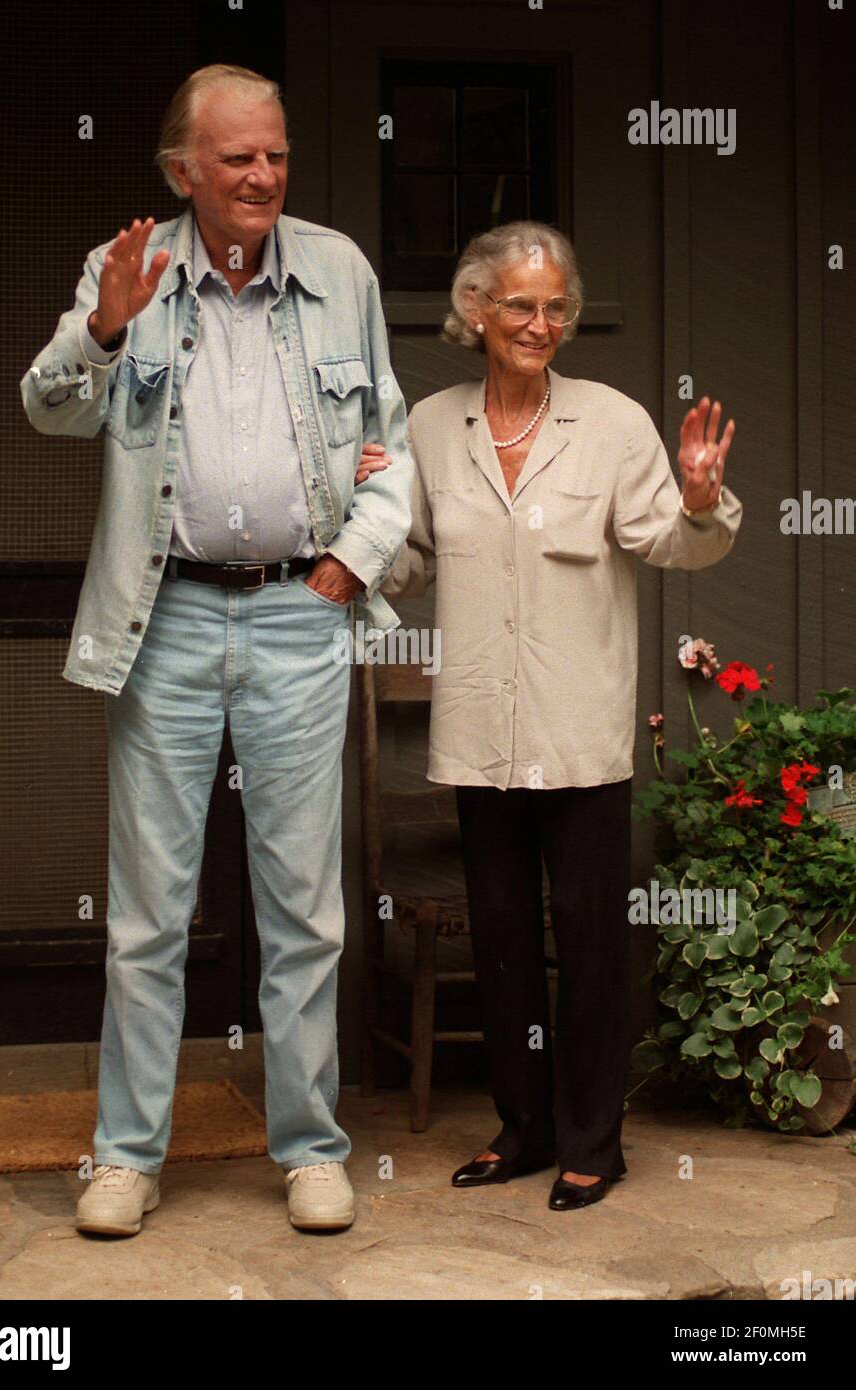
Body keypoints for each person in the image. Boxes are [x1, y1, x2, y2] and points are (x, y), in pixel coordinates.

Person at [20, 63, 412, 1236]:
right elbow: (48, 406)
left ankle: (308, 1146)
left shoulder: (339, 271)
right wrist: (103, 326)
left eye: (276, 155)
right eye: (237, 158)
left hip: (301, 610)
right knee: (148, 912)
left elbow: (388, 445)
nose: (261, 177)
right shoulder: (123, 269)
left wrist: (349, 561)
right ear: (182, 169)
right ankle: (126, 1156)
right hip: (168, 614)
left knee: (305, 906)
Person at [378, 220, 742, 1211]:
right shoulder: (428, 426)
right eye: (518, 304)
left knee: (586, 944)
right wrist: (358, 520)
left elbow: (669, 540)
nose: (537, 323)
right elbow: (406, 558)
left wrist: (703, 502)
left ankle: (592, 1138)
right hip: (479, 736)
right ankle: (523, 1127)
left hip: (578, 735)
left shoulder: (614, 423)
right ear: (475, 311)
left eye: (554, 307)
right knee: (499, 947)